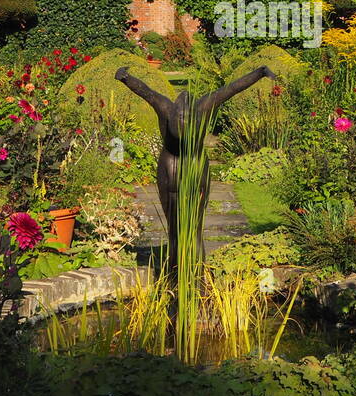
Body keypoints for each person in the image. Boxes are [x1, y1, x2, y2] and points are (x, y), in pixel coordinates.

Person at [114, 64, 278, 268]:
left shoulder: (202, 107)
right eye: (180, 121)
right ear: (173, 115)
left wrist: (260, 73)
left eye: (188, 122)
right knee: (174, 230)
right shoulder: (164, 106)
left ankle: (197, 270)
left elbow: (231, 89)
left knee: (195, 229)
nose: (184, 125)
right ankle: (176, 269)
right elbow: (145, 90)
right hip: (170, 168)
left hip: (195, 167)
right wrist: (125, 78)